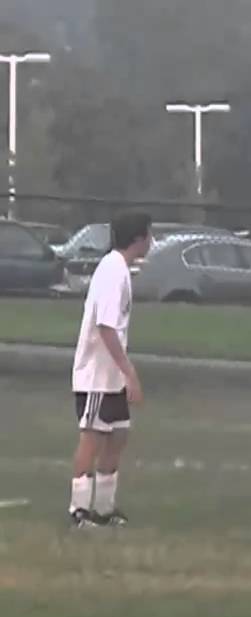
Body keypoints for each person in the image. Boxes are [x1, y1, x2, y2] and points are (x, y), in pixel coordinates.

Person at [68, 211, 152, 528]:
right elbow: (105, 328)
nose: (152, 241)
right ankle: (79, 511)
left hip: (111, 377)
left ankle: (104, 509)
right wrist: (129, 372)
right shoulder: (113, 271)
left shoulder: (120, 270)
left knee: (117, 436)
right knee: (92, 439)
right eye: (149, 235)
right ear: (138, 238)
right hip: (96, 377)